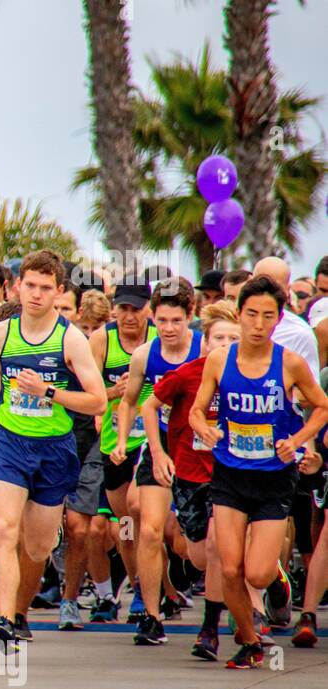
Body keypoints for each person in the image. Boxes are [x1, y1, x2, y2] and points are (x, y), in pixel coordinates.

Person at [189, 275, 328, 669]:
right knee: (229, 566)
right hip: (231, 473)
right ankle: (249, 640)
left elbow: (322, 407)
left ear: (278, 318)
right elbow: (197, 409)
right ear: (240, 313)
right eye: (251, 314)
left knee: (258, 573)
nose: (258, 324)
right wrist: (203, 426)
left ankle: (278, 580)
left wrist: (297, 439)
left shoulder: (290, 362)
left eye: (268, 316)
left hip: (273, 478)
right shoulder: (220, 359)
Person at [0, 250, 106, 652]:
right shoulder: (0, 333)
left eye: (45, 288)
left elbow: (98, 401)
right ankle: (2, 620)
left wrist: (48, 391)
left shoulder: (71, 339)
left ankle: (19, 612)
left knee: (37, 547)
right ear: (18, 287)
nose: (35, 294)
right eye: (29, 285)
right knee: (2, 529)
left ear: (59, 292)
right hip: (9, 444)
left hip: (54, 449)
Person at [141, 301, 240, 659]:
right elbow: (149, 406)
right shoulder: (187, 374)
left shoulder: (253, 378)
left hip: (231, 475)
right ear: (205, 342)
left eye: (233, 338)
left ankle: (209, 629)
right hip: (189, 475)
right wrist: (158, 452)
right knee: (199, 555)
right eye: (218, 338)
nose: (225, 345)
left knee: (218, 547)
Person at [111, 277, 200, 644]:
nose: (168, 329)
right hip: (160, 441)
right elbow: (131, 400)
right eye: (161, 320)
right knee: (146, 529)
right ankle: (151, 614)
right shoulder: (145, 355)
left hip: (200, 444)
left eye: (176, 321)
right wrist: (120, 440)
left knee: (193, 546)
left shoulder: (208, 348)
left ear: (190, 316)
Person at [88, 275, 156, 620]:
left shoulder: (160, 338)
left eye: (137, 309)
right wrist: (115, 392)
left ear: (149, 309)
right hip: (115, 445)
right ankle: (140, 585)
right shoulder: (102, 340)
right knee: (126, 526)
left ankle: (155, 589)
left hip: (153, 442)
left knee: (149, 522)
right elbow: (87, 393)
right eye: (123, 309)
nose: (129, 317)